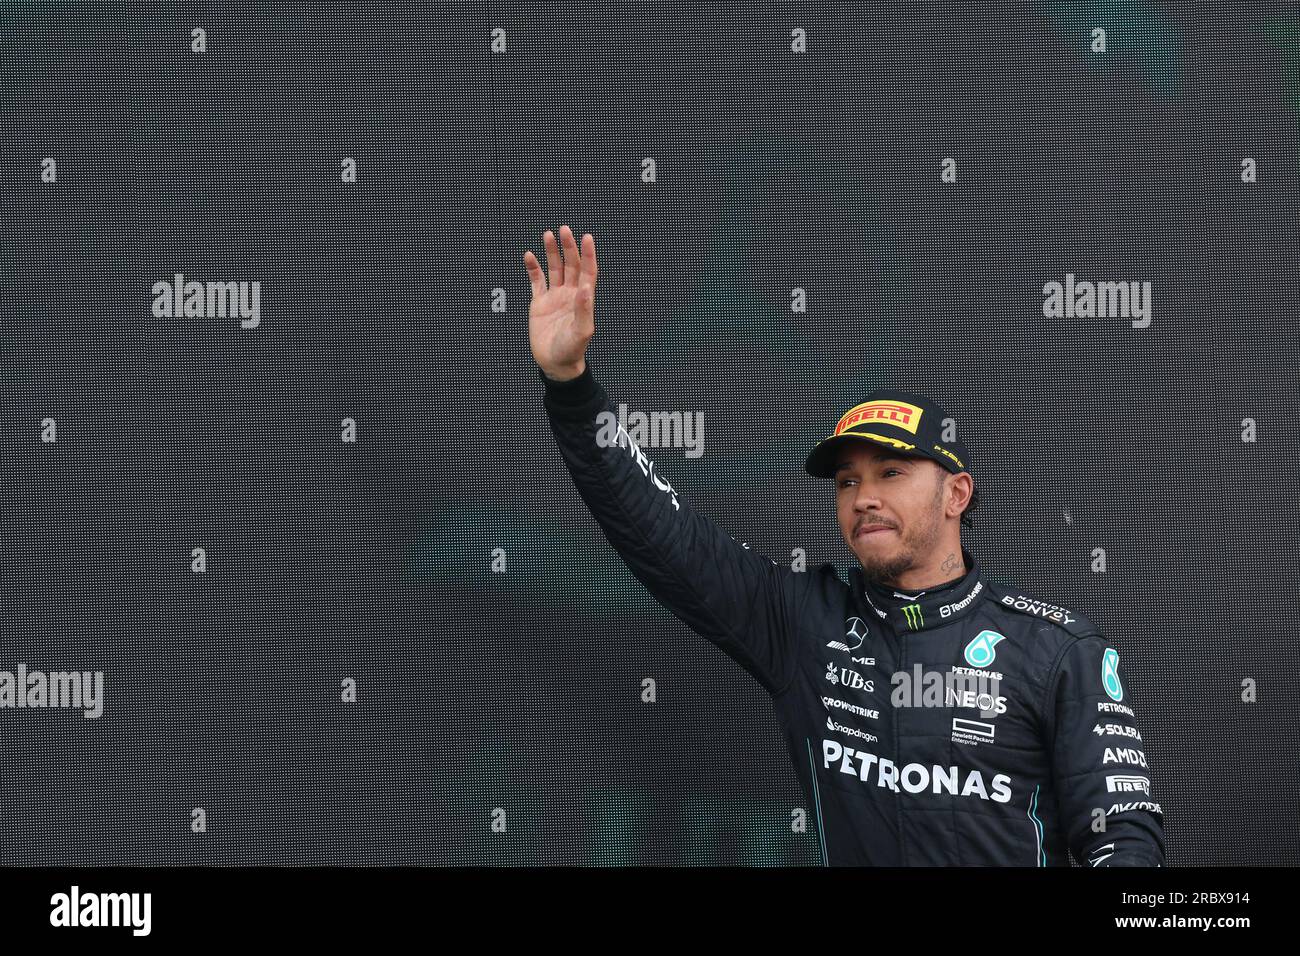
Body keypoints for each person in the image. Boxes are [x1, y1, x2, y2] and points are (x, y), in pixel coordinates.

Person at [526, 224, 1165, 866]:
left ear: (957, 495)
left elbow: (1124, 842)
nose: (863, 497)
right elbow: (661, 533)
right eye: (847, 481)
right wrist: (573, 389)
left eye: (891, 474)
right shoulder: (804, 620)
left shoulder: (1057, 650)